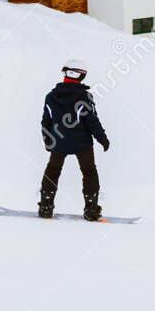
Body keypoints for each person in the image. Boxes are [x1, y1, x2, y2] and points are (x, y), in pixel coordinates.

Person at [39, 64, 110, 220]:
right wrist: (103, 139)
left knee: (53, 170)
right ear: (81, 76)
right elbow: (92, 122)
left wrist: (48, 140)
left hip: (59, 142)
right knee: (89, 171)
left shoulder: (51, 96)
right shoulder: (85, 97)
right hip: (82, 143)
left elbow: (46, 122)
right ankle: (91, 210)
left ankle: (46, 206)